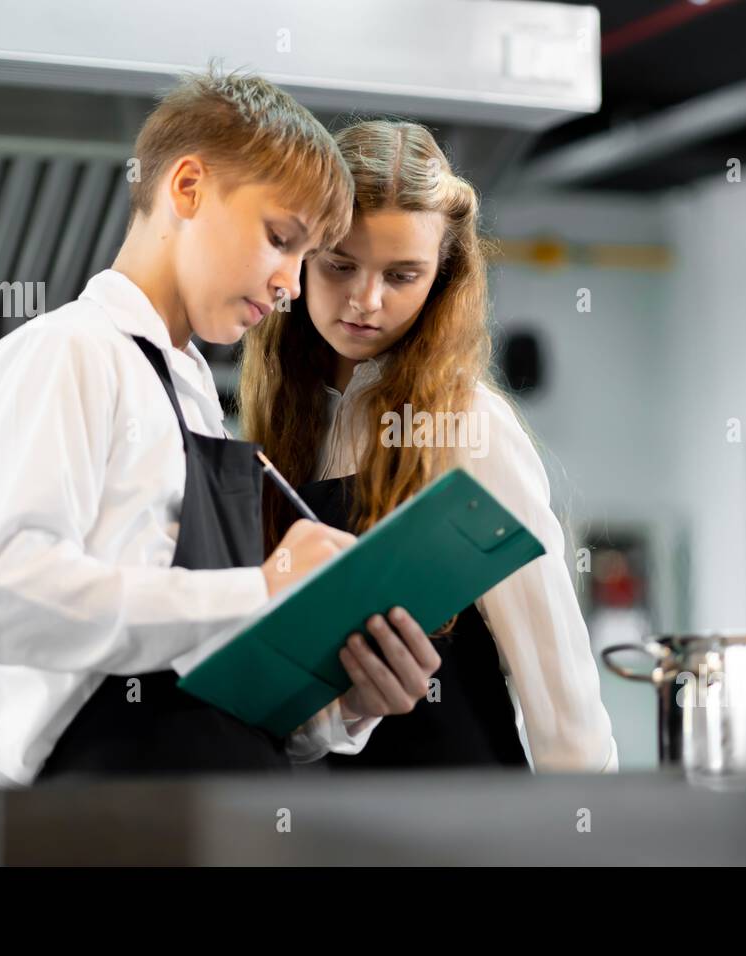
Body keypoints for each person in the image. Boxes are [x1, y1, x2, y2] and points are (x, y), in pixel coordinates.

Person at [0, 72, 440, 789]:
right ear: (186, 188)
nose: (293, 286)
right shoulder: (69, 351)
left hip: (221, 800)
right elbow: (2, 599)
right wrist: (262, 590)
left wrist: (346, 704)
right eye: (280, 239)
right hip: (110, 804)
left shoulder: (197, 398)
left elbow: (211, 670)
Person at [239, 120, 617, 772]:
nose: (366, 300)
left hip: (462, 818)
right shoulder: (270, 427)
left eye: (403, 275)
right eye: (340, 265)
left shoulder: (469, 424)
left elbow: (562, 695)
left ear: (442, 280)